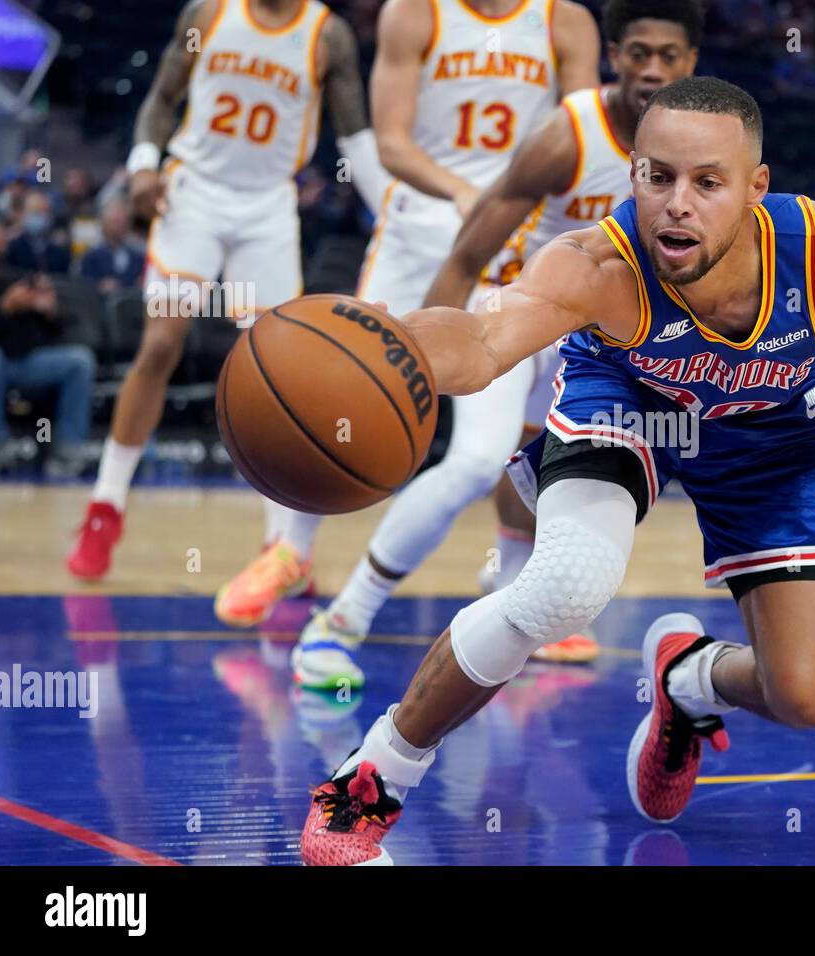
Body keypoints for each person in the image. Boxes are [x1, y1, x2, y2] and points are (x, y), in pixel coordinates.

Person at [292, 77, 815, 865]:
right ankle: (372, 777)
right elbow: (482, 340)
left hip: (772, 432)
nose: (677, 202)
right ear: (631, 171)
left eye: (707, 183)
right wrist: (387, 344)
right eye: (658, 176)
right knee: (567, 582)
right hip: (629, 399)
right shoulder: (598, 264)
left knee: (806, 696)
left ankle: (688, 681)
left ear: (754, 188)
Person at [292, 0, 703, 689]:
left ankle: (516, 607)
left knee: (536, 465)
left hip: (588, 326)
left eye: (668, 57)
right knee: (478, 459)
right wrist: (418, 357)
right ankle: (340, 621)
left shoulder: (699, 150)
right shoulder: (569, 134)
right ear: (614, 56)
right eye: (638, 54)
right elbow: (468, 248)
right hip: (511, 301)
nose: (652, 71)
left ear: (692, 64)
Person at [216, 0, 603, 628]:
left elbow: (588, 135)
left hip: (503, 249)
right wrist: (458, 190)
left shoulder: (562, 21)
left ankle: (507, 579)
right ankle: (291, 552)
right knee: (328, 394)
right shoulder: (417, 13)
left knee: (487, 453)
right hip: (415, 236)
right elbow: (391, 142)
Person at [65, 0, 390, 582]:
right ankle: (105, 506)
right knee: (161, 345)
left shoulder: (327, 35)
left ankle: (279, 546)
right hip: (194, 195)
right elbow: (163, 98)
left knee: (275, 374)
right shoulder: (209, 13)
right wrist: (143, 165)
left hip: (267, 208)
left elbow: (357, 139)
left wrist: (391, 207)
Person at [0, 250, 96, 476]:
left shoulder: (17, 281)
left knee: (80, 361)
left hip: (30, 362)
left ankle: (68, 451)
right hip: (0, 363)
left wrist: (49, 312)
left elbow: (55, 336)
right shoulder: (7, 294)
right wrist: (5, 308)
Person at [79, 199, 145, 295]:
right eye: (116, 221)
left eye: (124, 221)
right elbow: (84, 285)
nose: (120, 225)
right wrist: (99, 286)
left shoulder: (139, 256)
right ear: (104, 224)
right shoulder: (91, 257)